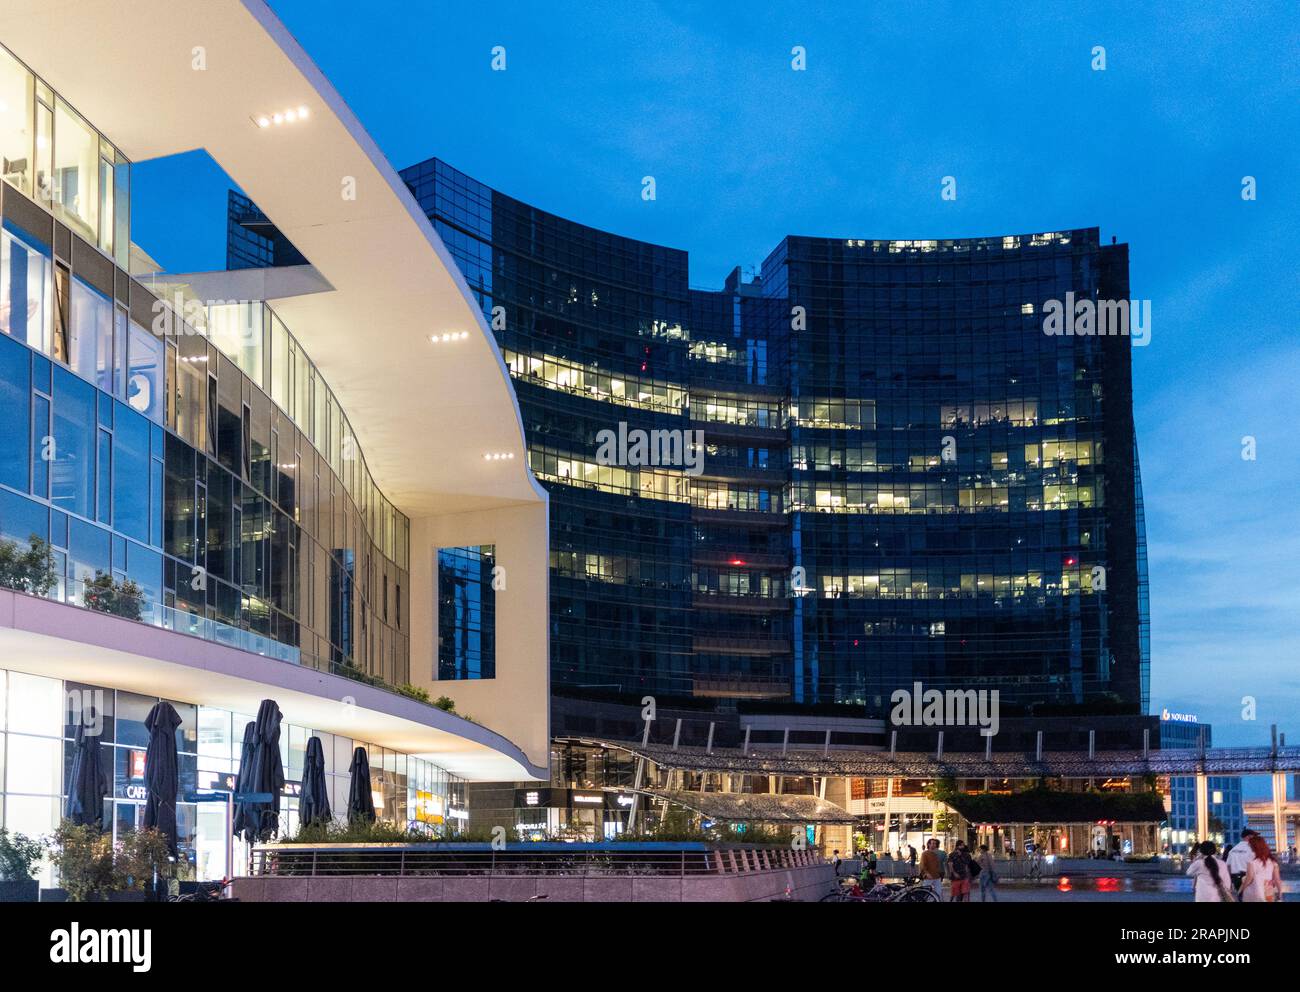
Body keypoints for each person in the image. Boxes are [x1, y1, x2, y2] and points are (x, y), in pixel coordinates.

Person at [1241, 835, 1283, 903]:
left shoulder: (1252, 863)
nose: (1250, 847)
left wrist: (1242, 890)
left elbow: (1249, 879)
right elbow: (1277, 879)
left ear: (1255, 847)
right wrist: (1280, 893)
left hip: (1254, 893)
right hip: (1268, 892)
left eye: (1251, 846)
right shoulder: (1273, 862)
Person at [1226, 829, 1258, 895]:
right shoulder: (1252, 849)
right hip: (1249, 878)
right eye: (1254, 836)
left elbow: (1228, 867)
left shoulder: (1233, 850)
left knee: (1241, 897)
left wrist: (1229, 882)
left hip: (1236, 879)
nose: (1256, 838)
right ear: (1248, 837)